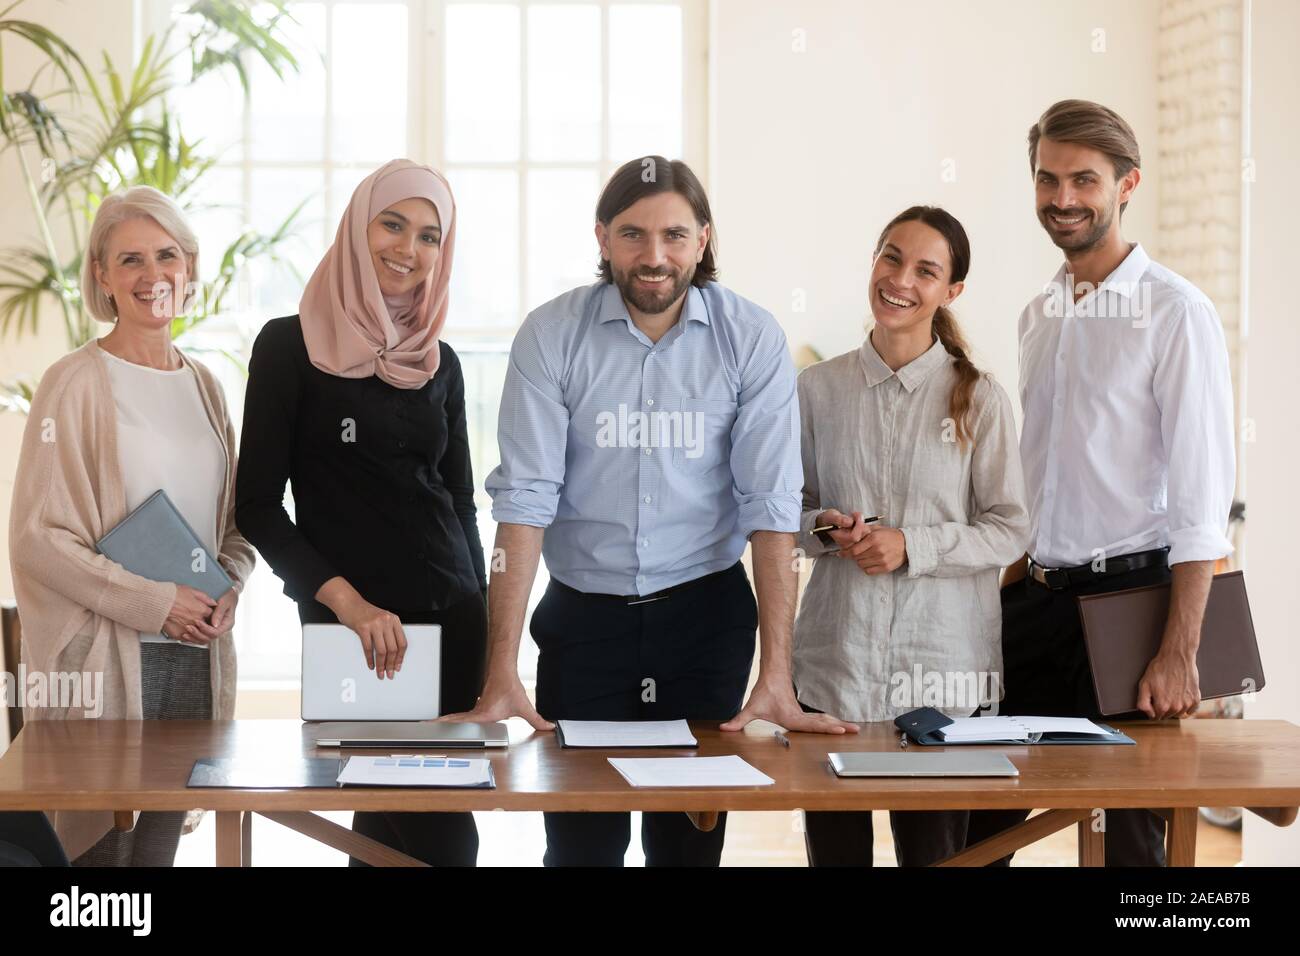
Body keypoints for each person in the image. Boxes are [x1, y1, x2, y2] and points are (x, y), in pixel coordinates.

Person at [447, 156, 857, 867]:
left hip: (704, 623)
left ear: (703, 238)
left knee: (688, 849)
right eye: (633, 234)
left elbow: (770, 507)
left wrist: (777, 673)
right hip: (583, 624)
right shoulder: (552, 334)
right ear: (603, 238)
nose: (654, 255)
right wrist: (500, 670)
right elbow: (523, 503)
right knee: (580, 848)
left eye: (673, 234)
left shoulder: (750, 337)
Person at [963, 100, 1236, 866]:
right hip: (1035, 603)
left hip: (1133, 608)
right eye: (1048, 179)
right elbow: (1041, 482)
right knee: (982, 816)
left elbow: (1200, 502)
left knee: (1130, 840)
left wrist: (1180, 650)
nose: (1063, 198)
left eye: (1084, 179)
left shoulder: (1177, 314)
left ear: (1127, 185)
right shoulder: (1037, 316)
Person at [236, 159, 487, 867]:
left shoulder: (441, 362)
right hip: (357, 635)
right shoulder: (289, 345)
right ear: (358, 226)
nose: (409, 248)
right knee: (435, 839)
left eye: (430, 236)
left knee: (385, 831)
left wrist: (488, 616)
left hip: (455, 622)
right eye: (393, 223)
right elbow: (256, 506)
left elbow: (460, 501)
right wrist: (349, 605)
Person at [9, 186, 255, 865]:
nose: (154, 277)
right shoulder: (74, 383)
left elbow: (230, 528)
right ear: (103, 277)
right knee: (99, 864)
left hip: (194, 654)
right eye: (132, 260)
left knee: (157, 854)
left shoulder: (205, 385)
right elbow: (37, 538)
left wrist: (230, 581)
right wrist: (156, 602)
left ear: (190, 266)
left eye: (168, 256)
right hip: (112, 658)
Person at [793, 205, 1029, 866]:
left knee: (933, 857)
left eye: (927, 270)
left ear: (951, 292)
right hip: (833, 673)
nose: (901, 278)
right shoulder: (815, 389)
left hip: (943, 681)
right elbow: (784, 513)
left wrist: (912, 546)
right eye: (891, 257)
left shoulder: (980, 398)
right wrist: (822, 528)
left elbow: (1010, 528)